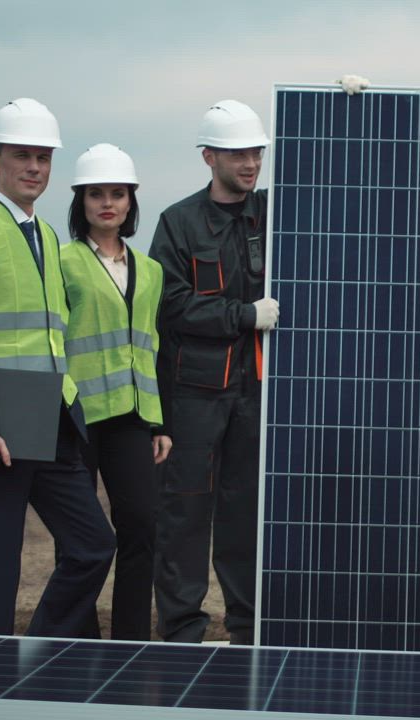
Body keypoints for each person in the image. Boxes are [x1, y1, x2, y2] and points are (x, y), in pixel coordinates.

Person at [0, 98, 115, 638]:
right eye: (22, 156)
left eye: (43, 157)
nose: (34, 167)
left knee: (92, 547)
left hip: (50, 425)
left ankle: (36, 654)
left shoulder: (48, 236)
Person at [148, 99, 279, 645]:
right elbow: (170, 304)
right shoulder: (177, 223)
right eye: (237, 153)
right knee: (184, 513)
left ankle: (247, 628)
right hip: (195, 393)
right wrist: (242, 315)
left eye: (255, 152)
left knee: (246, 513)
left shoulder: (276, 213)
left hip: (258, 392)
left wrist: (347, 110)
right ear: (208, 157)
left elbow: (339, 190)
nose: (250, 163)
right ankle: (182, 631)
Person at [59, 143, 172, 640]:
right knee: (79, 537)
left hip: (130, 417)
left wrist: (158, 421)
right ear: (80, 201)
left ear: (131, 202)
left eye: (118, 194)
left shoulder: (150, 272)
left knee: (142, 528)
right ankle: (79, 639)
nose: (108, 202)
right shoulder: (62, 262)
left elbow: (152, 348)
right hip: (76, 415)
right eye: (97, 193)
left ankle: (131, 642)